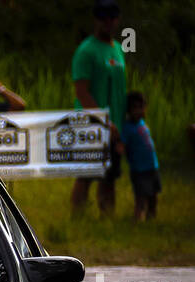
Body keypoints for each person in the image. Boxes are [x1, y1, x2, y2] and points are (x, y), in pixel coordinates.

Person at [70, 1, 126, 217]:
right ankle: (78, 218)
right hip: (90, 123)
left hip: (116, 123)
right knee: (86, 175)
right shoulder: (86, 50)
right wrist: (102, 120)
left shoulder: (118, 49)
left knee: (110, 175)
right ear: (96, 20)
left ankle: (107, 220)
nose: (108, 22)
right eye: (104, 18)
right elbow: (82, 92)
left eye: (112, 18)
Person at [122, 90, 159, 221]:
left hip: (152, 167)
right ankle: (137, 220)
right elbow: (122, 146)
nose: (138, 111)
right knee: (141, 197)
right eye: (135, 108)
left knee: (153, 196)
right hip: (139, 170)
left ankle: (151, 219)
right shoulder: (127, 128)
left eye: (141, 107)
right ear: (129, 110)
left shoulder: (142, 124)